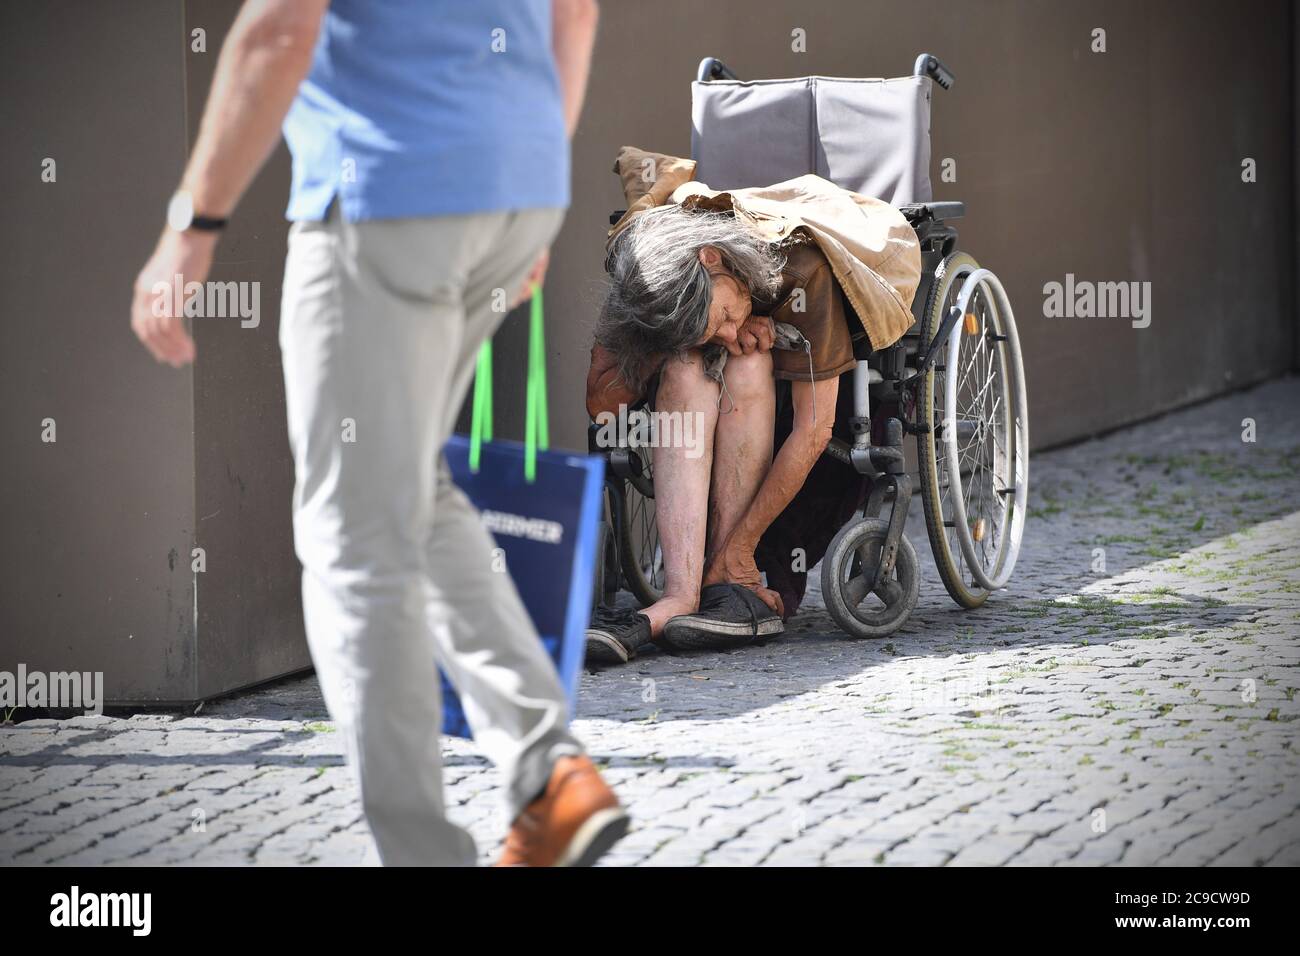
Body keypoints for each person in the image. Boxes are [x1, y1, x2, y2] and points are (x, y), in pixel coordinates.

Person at [130, 0, 624, 867]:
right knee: (411, 495)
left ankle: (422, 853)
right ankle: (549, 778)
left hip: (388, 191)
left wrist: (191, 226)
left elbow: (280, 25)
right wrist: (531, 171)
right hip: (514, 187)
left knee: (351, 537)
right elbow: (574, 11)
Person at [584, 147, 921, 664]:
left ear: (712, 259)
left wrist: (741, 551)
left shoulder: (805, 267)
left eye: (720, 313)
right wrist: (674, 345)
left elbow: (815, 429)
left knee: (745, 361)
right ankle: (682, 592)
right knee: (687, 365)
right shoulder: (648, 272)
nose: (726, 329)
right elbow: (602, 405)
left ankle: (723, 572)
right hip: (697, 410)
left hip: (807, 420)